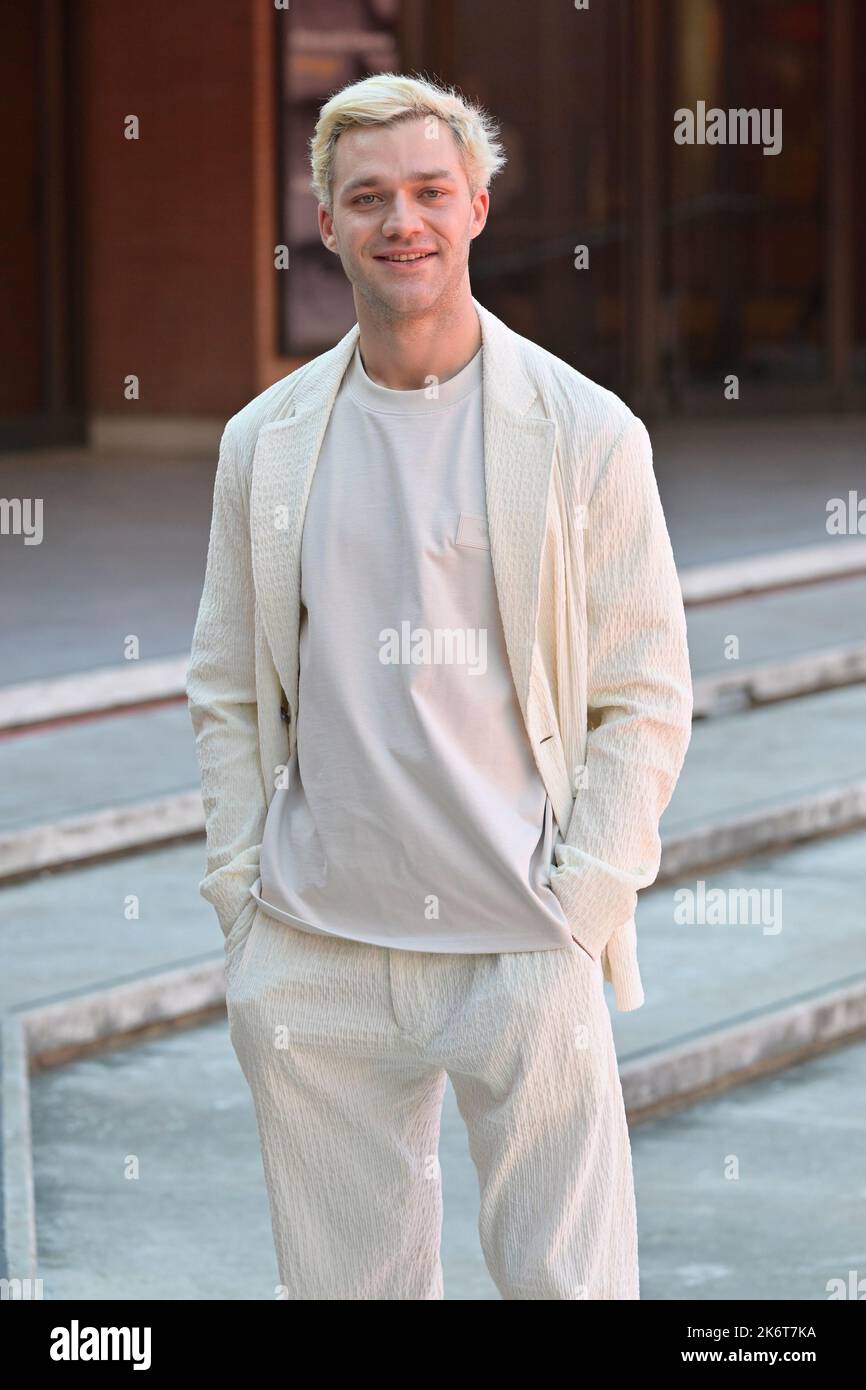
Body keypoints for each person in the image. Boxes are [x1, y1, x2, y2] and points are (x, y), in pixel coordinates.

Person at [186, 72, 693, 1300]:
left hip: (520, 937)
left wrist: (583, 901)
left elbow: (643, 692)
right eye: (367, 198)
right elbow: (227, 688)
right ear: (326, 222)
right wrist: (243, 904)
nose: (398, 220)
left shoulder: (584, 433)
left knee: (567, 1285)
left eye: (426, 192)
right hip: (315, 944)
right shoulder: (266, 440)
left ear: (475, 205)